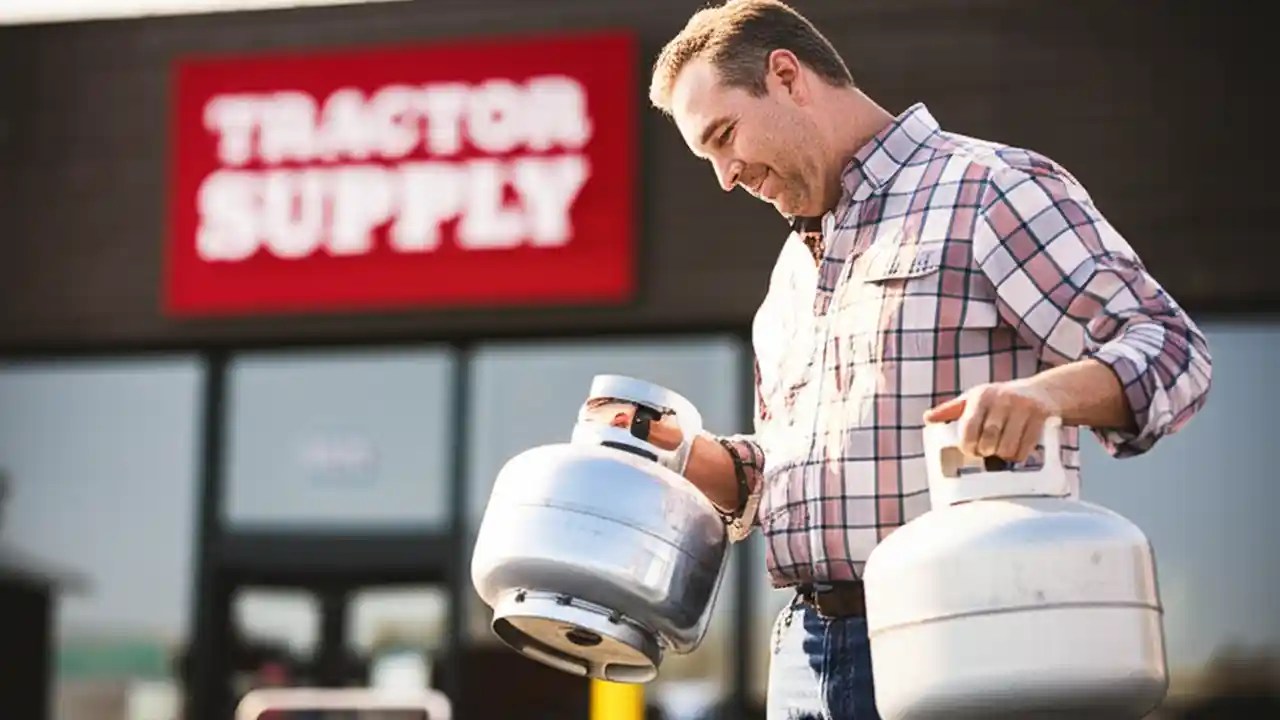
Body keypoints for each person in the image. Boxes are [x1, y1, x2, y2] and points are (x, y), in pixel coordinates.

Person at [583, 1, 1213, 717]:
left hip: (965, 638)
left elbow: (1172, 351)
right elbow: (798, 476)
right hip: (802, 655)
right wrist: (682, 451)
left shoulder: (986, 191)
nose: (725, 176)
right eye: (709, 157)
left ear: (786, 77)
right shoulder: (791, 275)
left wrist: (1045, 398)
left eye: (726, 136)